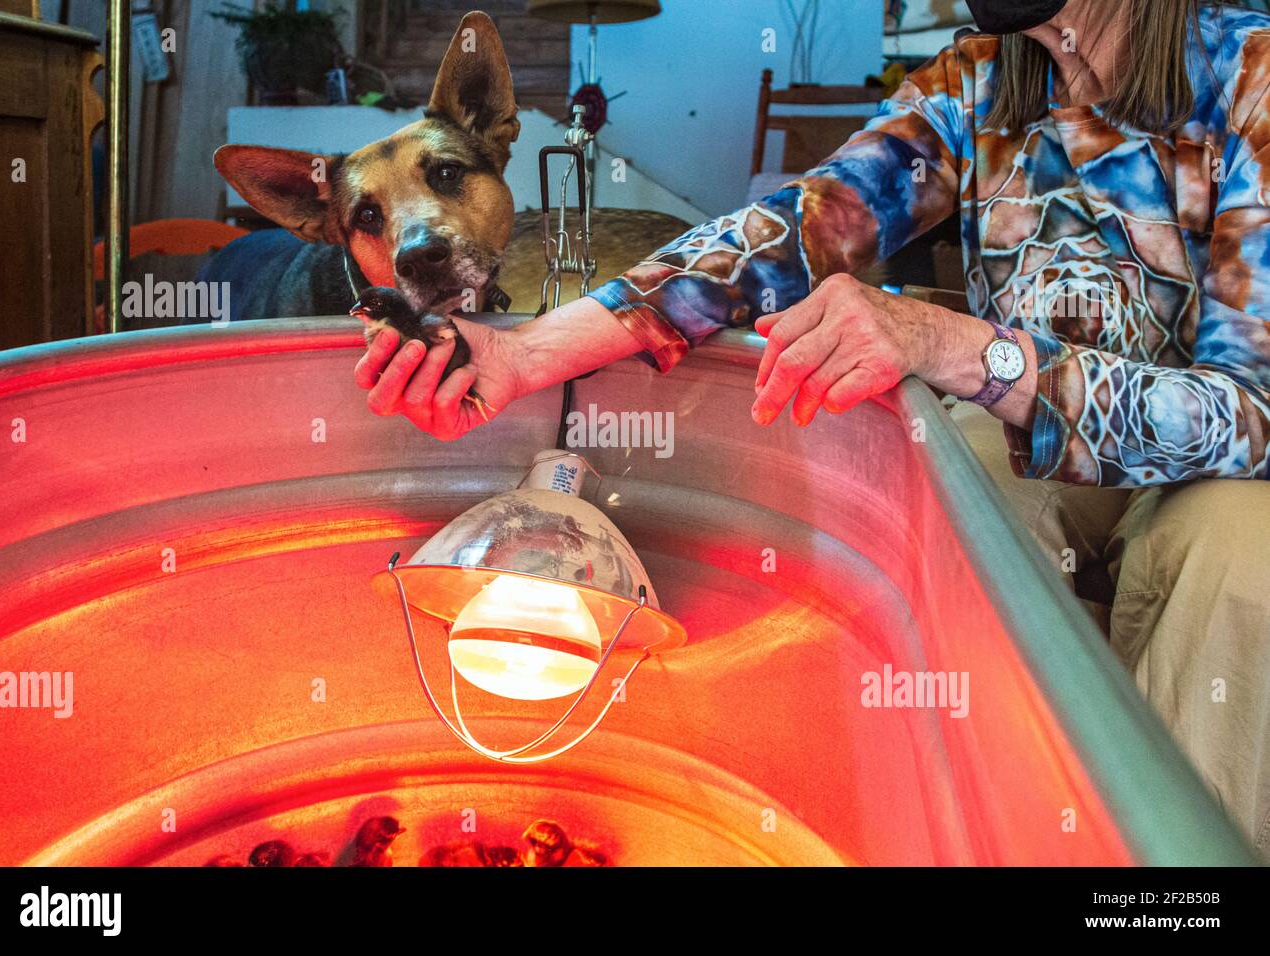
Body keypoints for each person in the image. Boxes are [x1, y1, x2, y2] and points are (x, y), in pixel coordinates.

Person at [354, 0, 1270, 853]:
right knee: (955, 489)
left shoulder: (1249, 69)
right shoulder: (980, 81)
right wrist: (529, 355)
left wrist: (965, 351)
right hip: (1029, 433)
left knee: (1238, 557)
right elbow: (794, 231)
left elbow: (1252, 410)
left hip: (1214, 471)